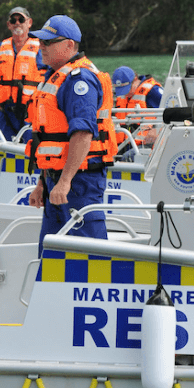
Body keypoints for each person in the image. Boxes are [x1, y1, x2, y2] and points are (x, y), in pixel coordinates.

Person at [27, 15, 117, 251]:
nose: (41, 47)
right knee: (51, 252)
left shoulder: (79, 80)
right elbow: (50, 139)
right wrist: (42, 183)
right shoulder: (55, 76)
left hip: (79, 182)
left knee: (88, 254)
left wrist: (65, 181)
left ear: (69, 45)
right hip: (56, 180)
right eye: (40, 42)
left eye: (48, 42)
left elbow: (83, 134)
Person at [0, 6, 45, 141]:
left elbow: (55, 77)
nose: (17, 23)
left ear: (29, 23)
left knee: (31, 149)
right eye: (13, 20)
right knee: (2, 149)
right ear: (8, 25)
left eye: (21, 19)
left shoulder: (41, 48)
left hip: (31, 113)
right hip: (6, 113)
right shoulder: (0, 48)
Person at [111, 66, 163, 155]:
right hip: (124, 145)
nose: (125, 93)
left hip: (146, 145)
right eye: (121, 90)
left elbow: (170, 112)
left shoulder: (153, 91)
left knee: (127, 157)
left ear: (135, 79)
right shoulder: (122, 96)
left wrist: (156, 130)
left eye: (127, 88)